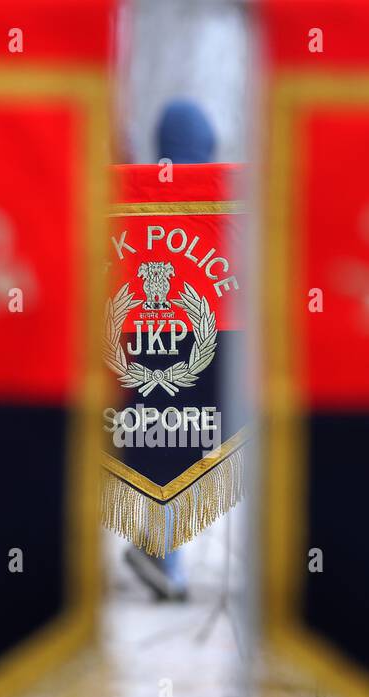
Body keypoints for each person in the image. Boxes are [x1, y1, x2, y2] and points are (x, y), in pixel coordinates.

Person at [122, 98, 216, 602]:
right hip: (208, 374)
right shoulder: (227, 208)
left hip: (129, 373)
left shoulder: (126, 197)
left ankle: (158, 544)